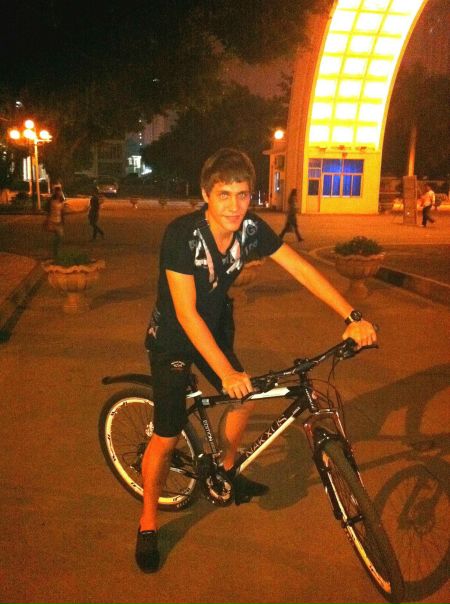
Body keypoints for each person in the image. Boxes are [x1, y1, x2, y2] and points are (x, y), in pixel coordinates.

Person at [136, 148, 377, 573]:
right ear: (206, 195)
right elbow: (186, 314)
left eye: (243, 194)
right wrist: (225, 371)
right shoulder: (182, 235)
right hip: (173, 338)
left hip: (214, 330)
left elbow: (300, 269)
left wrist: (351, 316)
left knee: (244, 398)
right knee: (167, 435)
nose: (234, 205)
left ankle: (228, 470)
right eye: (224, 194)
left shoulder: (250, 230)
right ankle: (148, 522)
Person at [45, 184, 66, 258]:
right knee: (58, 237)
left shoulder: (61, 201)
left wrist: (63, 220)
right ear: (55, 192)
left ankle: (56, 252)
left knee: (59, 237)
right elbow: (48, 211)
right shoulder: (51, 201)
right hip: (52, 220)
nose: (58, 193)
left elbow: (62, 211)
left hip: (59, 221)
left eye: (59, 192)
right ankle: (56, 253)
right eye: (57, 192)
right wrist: (47, 220)